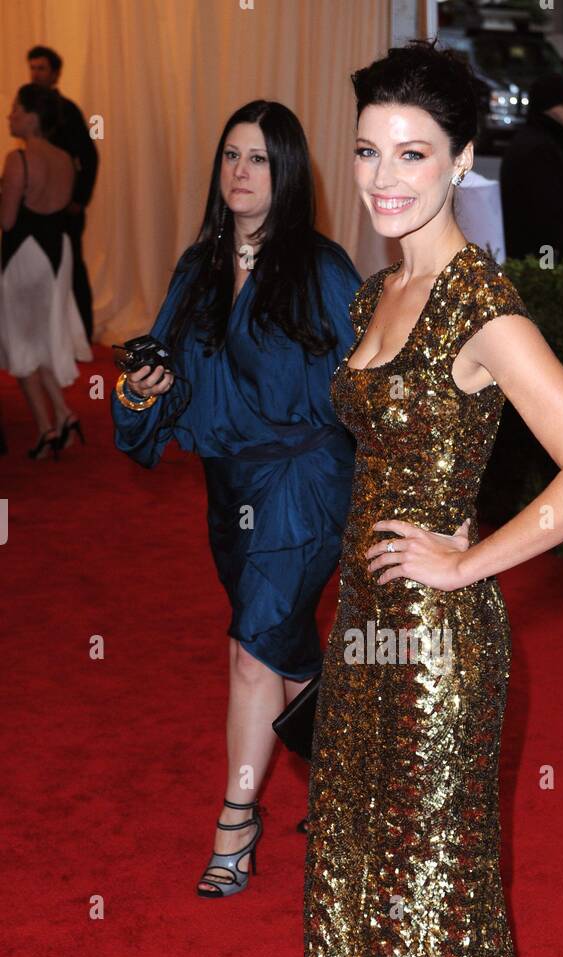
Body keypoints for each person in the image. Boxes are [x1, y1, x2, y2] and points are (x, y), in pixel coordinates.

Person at [275, 39, 563, 957]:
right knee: (357, 887)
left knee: (427, 907)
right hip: (367, 639)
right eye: (368, 151)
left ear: (462, 161)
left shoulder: (483, 302)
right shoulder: (384, 291)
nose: (384, 176)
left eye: (414, 154)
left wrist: (469, 558)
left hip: (438, 654)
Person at [110, 100, 360, 896]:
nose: (240, 173)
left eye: (257, 158)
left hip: (304, 483)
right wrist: (145, 389)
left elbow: (361, 390)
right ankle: (355, 793)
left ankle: (234, 824)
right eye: (230, 157)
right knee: (283, 649)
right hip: (231, 488)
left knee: (251, 651)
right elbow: (170, 385)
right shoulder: (196, 268)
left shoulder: (321, 269)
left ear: (286, 173)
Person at [0, 84, 91, 459]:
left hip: (24, 255)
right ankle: (66, 416)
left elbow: (7, 221)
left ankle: (45, 430)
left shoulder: (18, 159)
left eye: (16, 109)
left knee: (19, 344)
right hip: (59, 253)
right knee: (40, 341)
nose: (10, 116)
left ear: (32, 117)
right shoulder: (65, 159)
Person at [27, 46, 98, 344]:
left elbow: (88, 156)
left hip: (64, 209)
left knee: (71, 268)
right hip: (37, 208)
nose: (35, 73)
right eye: (32, 67)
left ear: (56, 73)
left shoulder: (65, 110)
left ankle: (83, 330)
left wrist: (78, 199)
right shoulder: (33, 111)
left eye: (42, 68)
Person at [500, 73, 563, 264]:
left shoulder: (552, 142)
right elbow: (546, 219)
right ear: (546, 108)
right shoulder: (538, 148)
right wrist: (550, 264)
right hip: (544, 262)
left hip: (545, 260)